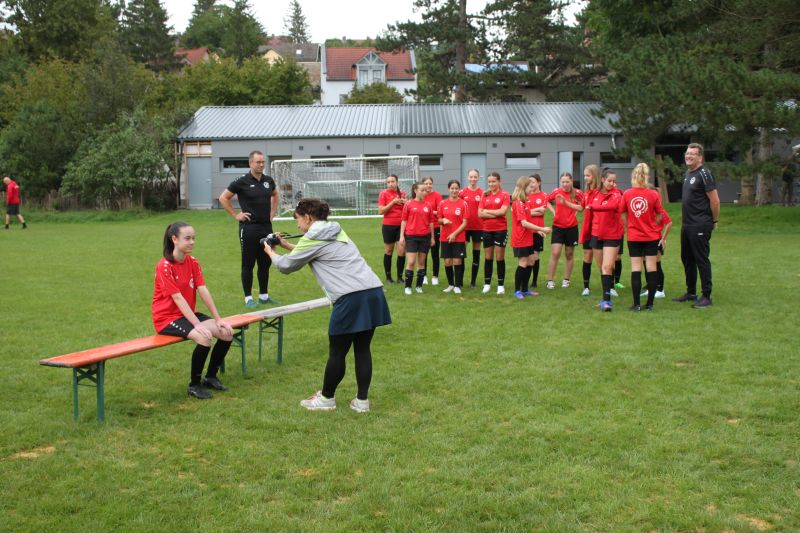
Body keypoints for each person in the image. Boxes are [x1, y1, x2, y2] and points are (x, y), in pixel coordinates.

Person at [263, 198, 391, 413]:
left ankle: (326, 399)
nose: (297, 225)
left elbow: (286, 266)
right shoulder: (335, 230)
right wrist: (287, 245)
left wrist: (271, 252)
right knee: (362, 349)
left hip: (350, 298)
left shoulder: (311, 236)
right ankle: (362, 402)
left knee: (337, 352)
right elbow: (320, 252)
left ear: (308, 217)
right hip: (373, 291)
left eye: (297, 220)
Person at [152, 222, 234, 400]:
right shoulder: (164, 266)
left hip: (187, 314)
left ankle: (210, 377)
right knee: (204, 338)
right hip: (166, 318)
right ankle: (194, 385)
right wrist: (197, 325)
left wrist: (218, 319)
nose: (192, 242)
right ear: (174, 239)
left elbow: (203, 289)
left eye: (193, 238)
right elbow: (178, 298)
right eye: (187, 238)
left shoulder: (192, 261)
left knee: (226, 333)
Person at [219, 150, 279, 308]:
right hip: (249, 229)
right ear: (250, 163)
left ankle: (264, 296)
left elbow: (275, 195)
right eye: (258, 162)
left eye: (263, 162)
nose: (261, 165)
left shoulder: (268, 181)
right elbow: (223, 198)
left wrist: (272, 213)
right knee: (248, 264)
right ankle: (248, 298)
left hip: (266, 227)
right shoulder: (241, 181)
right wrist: (235, 215)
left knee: (265, 263)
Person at [674, 142, 720, 309]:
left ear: (700, 157)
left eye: (692, 154)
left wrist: (714, 221)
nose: (688, 156)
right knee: (687, 258)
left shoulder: (705, 174)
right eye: (687, 153)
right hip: (687, 225)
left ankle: (706, 296)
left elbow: (715, 201)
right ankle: (691, 292)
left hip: (700, 224)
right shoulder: (688, 173)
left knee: (701, 259)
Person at [620, 163, 671, 311]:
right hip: (651, 237)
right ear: (647, 176)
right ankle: (649, 304)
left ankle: (636, 304)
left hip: (634, 236)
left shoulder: (627, 194)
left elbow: (622, 212)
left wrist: (628, 225)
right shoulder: (653, 194)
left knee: (636, 269)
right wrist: (653, 224)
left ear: (633, 176)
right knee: (651, 268)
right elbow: (661, 213)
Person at [584, 168, 623, 312]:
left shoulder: (616, 194)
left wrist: (593, 207)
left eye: (614, 181)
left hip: (612, 235)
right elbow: (583, 206)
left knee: (607, 267)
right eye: (609, 181)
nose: (612, 183)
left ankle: (607, 302)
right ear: (602, 180)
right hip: (596, 235)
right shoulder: (594, 194)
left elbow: (612, 207)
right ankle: (605, 296)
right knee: (602, 268)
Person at [510, 176, 551, 299]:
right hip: (520, 238)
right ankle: (517, 291)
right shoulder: (518, 203)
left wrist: (537, 232)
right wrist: (541, 229)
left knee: (530, 261)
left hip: (528, 237)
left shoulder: (526, 202)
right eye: (529, 187)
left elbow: (528, 220)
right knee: (523, 262)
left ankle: (525, 289)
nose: (531, 189)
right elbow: (524, 223)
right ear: (524, 188)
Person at [545, 172, 583, 290]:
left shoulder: (578, 193)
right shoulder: (556, 192)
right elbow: (545, 200)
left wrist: (574, 210)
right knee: (555, 253)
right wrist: (554, 212)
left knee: (569, 254)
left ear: (571, 181)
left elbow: (583, 206)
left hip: (571, 227)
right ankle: (550, 280)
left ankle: (566, 280)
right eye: (563, 182)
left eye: (567, 182)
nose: (565, 184)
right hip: (558, 227)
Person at [399, 182, 435, 294]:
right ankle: (408, 287)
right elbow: (404, 220)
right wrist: (401, 236)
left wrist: (432, 237)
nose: (425, 192)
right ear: (415, 190)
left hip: (425, 237)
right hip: (411, 237)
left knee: (421, 262)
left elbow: (431, 222)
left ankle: (419, 286)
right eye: (422, 190)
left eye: (425, 190)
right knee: (411, 262)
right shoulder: (408, 204)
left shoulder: (428, 205)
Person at [478, 171, 510, 295]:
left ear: (499, 182)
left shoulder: (505, 195)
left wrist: (487, 211)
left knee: (499, 258)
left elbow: (502, 212)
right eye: (489, 181)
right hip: (486, 230)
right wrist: (493, 212)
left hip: (500, 230)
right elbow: (479, 214)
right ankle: (487, 284)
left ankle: (500, 285)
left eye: (493, 181)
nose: (491, 184)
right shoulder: (484, 195)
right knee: (488, 258)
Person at [439, 179, 468, 293]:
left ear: (459, 190)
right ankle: (450, 284)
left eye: (456, 188)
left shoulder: (463, 203)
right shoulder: (443, 203)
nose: (454, 190)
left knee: (457, 261)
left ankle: (457, 286)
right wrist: (443, 220)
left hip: (459, 237)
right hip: (445, 237)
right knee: (447, 262)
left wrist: (454, 234)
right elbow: (439, 219)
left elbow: (465, 223)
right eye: (452, 188)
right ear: (448, 189)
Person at [377, 174, 407, 283]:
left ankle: (400, 277)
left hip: (401, 226)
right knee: (389, 250)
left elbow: (406, 210)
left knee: (401, 251)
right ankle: (388, 277)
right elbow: (381, 211)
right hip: (388, 226)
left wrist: (406, 203)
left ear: (397, 182)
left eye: (392, 181)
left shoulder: (402, 193)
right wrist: (393, 202)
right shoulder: (383, 194)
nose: (390, 184)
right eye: (388, 182)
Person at [458, 169, 484, 288]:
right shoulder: (462, 193)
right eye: (471, 177)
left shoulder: (482, 193)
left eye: (475, 177)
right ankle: (460, 280)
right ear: (468, 178)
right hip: (465, 227)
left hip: (478, 227)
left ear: (478, 178)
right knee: (462, 253)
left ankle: (473, 282)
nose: (473, 179)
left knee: (476, 254)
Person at [578, 165, 600, 296]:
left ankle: (610, 287)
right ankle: (586, 287)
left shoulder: (601, 192)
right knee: (587, 257)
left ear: (595, 176)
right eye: (585, 175)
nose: (585, 178)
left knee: (601, 261)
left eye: (588, 175)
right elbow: (581, 208)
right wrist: (565, 203)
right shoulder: (586, 193)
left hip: (598, 230)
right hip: (587, 230)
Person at [527, 174, 549, 290]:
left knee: (535, 256)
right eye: (529, 182)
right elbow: (522, 213)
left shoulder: (543, 195)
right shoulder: (526, 196)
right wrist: (534, 210)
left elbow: (542, 212)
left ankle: (534, 281)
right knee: (527, 256)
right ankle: (525, 280)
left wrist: (528, 211)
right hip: (527, 230)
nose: (531, 184)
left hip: (538, 230)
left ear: (539, 183)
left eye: (533, 182)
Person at [421, 176, 442, 285]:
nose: (428, 185)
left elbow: (440, 212)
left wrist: (429, 211)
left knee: (435, 253)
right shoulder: (421, 195)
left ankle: (435, 276)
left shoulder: (437, 195)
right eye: (426, 183)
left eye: (430, 183)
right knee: (424, 253)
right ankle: (423, 275)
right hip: (423, 228)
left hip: (436, 227)